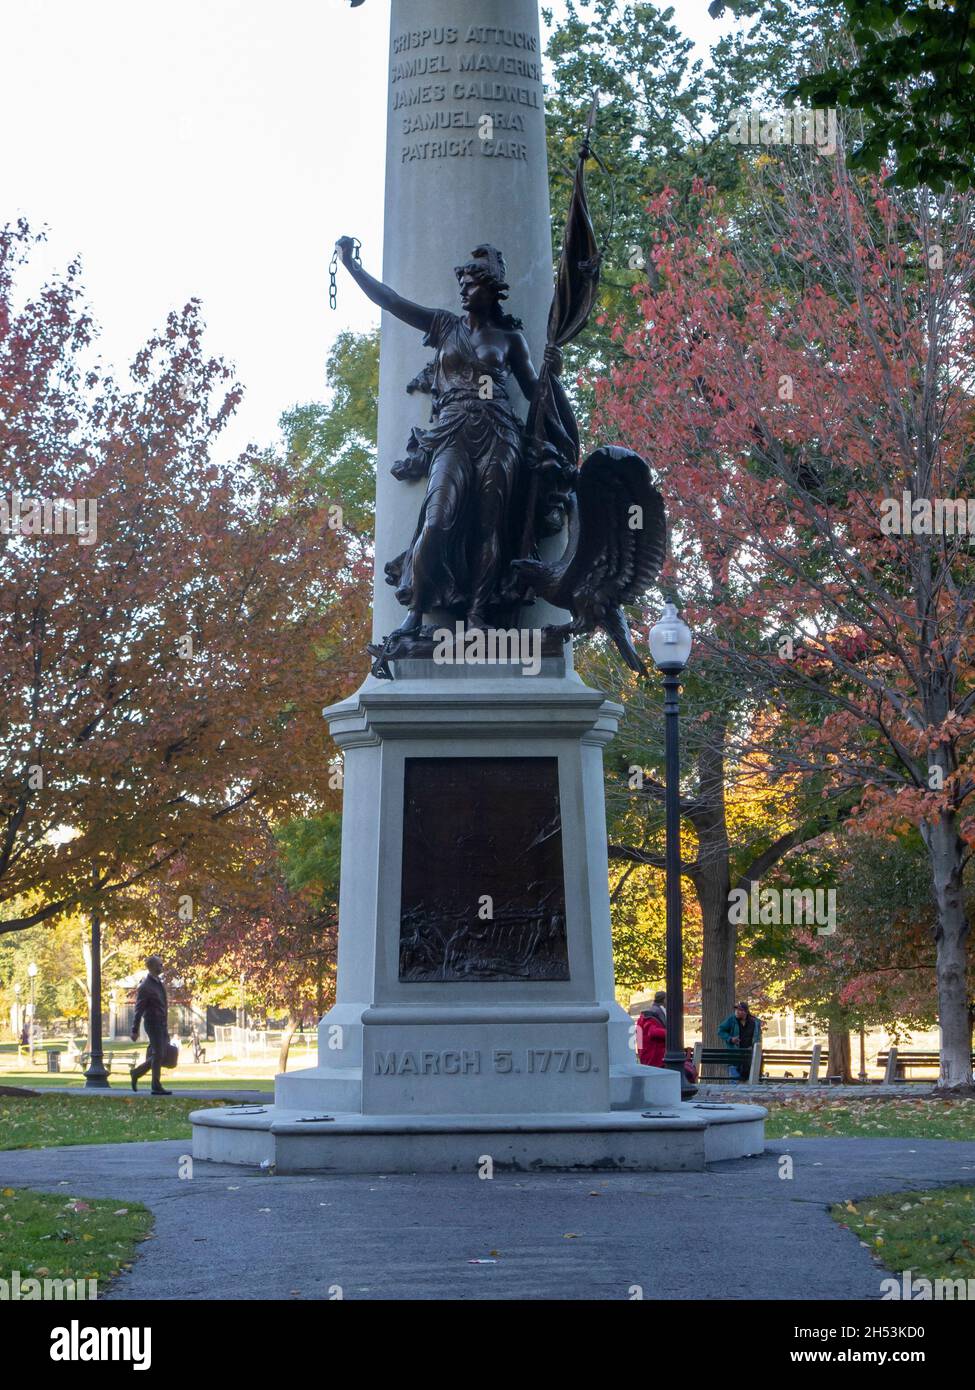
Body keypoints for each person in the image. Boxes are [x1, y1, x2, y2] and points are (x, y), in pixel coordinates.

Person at [130, 955, 172, 1095]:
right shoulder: (145, 986)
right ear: (153, 967)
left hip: (162, 1023)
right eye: (160, 964)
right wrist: (134, 1029)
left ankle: (136, 1073)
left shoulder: (158, 982)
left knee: (161, 1053)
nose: (162, 967)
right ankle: (155, 1085)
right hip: (153, 1023)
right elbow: (139, 1009)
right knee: (158, 1054)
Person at [718, 1000, 762, 1082]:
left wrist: (753, 1047)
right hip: (734, 1056)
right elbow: (720, 1030)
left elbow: (758, 1038)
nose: (737, 1012)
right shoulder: (731, 1020)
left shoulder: (755, 1022)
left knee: (750, 1083)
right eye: (736, 1010)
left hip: (749, 1057)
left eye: (740, 1010)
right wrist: (730, 1039)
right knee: (734, 1083)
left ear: (746, 1012)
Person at [636, 991, 667, 1068]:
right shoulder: (654, 1014)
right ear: (664, 1000)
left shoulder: (645, 1015)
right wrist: (671, 1034)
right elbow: (653, 1032)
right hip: (655, 1057)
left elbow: (639, 1038)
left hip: (646, 1055)